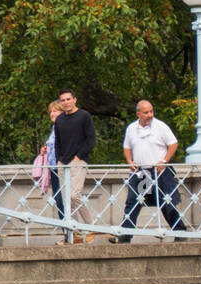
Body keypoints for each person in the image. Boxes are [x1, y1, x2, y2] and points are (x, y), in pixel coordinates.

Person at [111, 101, 187, 242]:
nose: (149, 115)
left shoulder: (160, 126)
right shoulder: (132, 128)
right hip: (142, 172)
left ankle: (180, 232)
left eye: (151, 111)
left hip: (159, 172)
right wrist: (129, 161)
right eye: (146, 113)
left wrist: (164, 161)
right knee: (134, 201)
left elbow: (173, 143)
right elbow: (127, 146)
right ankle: (125, 235)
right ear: (138, 114)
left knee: (166, 202)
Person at [53, 88, 96, 242]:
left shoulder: (84, 116)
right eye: (62, 100)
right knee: (66, 200)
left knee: (74, 195)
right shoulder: (59, 120)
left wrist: (79, 156)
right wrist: (58, 159)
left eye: (68, 99)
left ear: (74, 100)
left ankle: (92, 227)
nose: (65, 103)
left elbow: (91, 139)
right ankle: (75, 233)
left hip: (78, 161)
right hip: (62, 163)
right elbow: (57, 142)